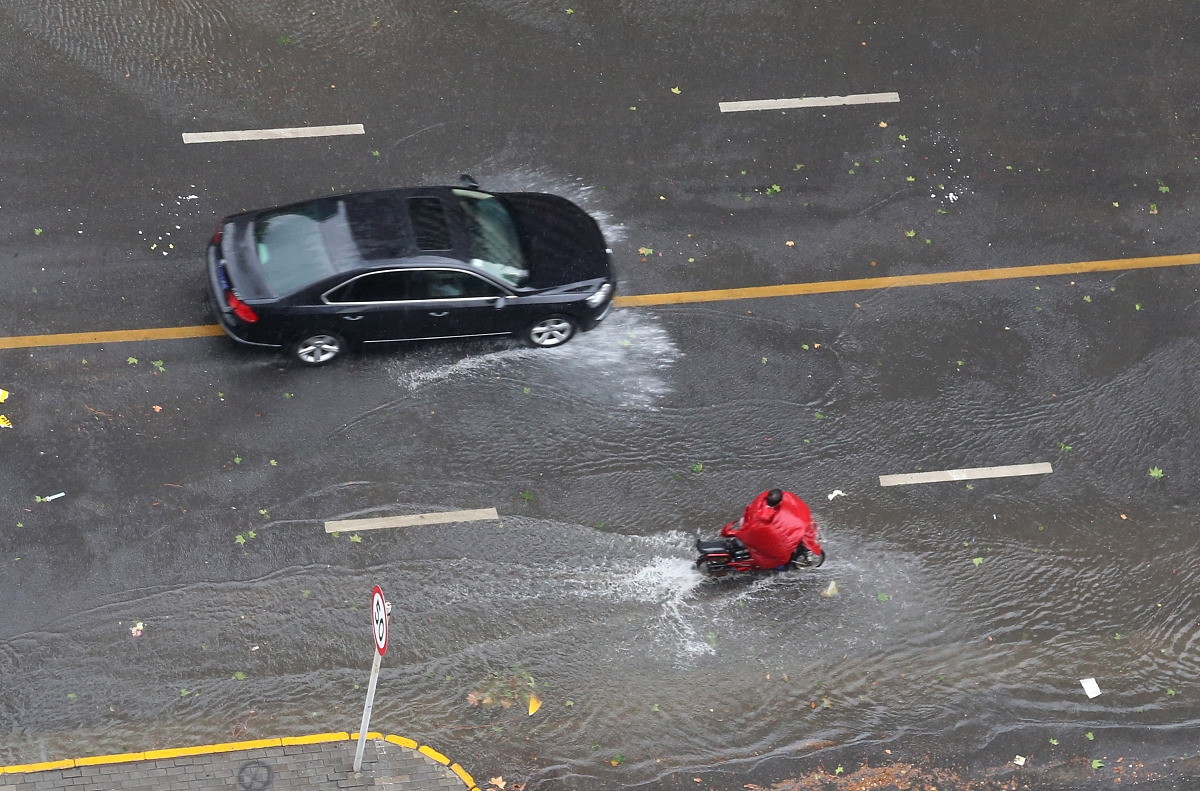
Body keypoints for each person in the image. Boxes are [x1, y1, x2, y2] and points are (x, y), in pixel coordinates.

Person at [721, 488, 822, 569]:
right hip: (752, 536)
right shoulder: (768, 519)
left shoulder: (759, 503)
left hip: (745, 526)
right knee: (779, 555)